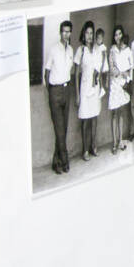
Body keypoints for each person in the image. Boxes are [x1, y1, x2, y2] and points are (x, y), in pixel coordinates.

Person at [43, 20, 75, 174]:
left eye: (68, 31)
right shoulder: (53, 49)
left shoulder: (71, 50)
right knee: (59, 129)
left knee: (62, 129)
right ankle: (64, 159)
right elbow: (47, 71)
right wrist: (50, 91)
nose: (66, 34)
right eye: (64, 31)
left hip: (66, 90)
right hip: (55, 91)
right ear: (60, 32)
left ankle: (56, 162)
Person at [76, 21, 105, 159]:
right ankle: (85, 150)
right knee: (85, 119)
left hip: (95, 86)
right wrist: (77, 94)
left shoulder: (97, 49)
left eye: (91, 33)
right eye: (87, 33)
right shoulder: (81, 50)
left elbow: (100, 66)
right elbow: (76, 74)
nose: (89, 36)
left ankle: (93, 146)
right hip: (84, 88)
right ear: (83, 34)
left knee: (94, 117)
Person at [107, 26, 133, 154]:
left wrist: (127, 80)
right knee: (114, 113)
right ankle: (114, 142)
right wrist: (121, 73)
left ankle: (121, 140)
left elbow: (131, 67)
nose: (118, 37)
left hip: (123, 84)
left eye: (120, 34)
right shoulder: (112, 50)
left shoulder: (127, 50)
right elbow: (111, 68)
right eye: (116, 34)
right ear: (114, 37)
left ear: (123, 35)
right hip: (114, 84)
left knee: (121, 113)